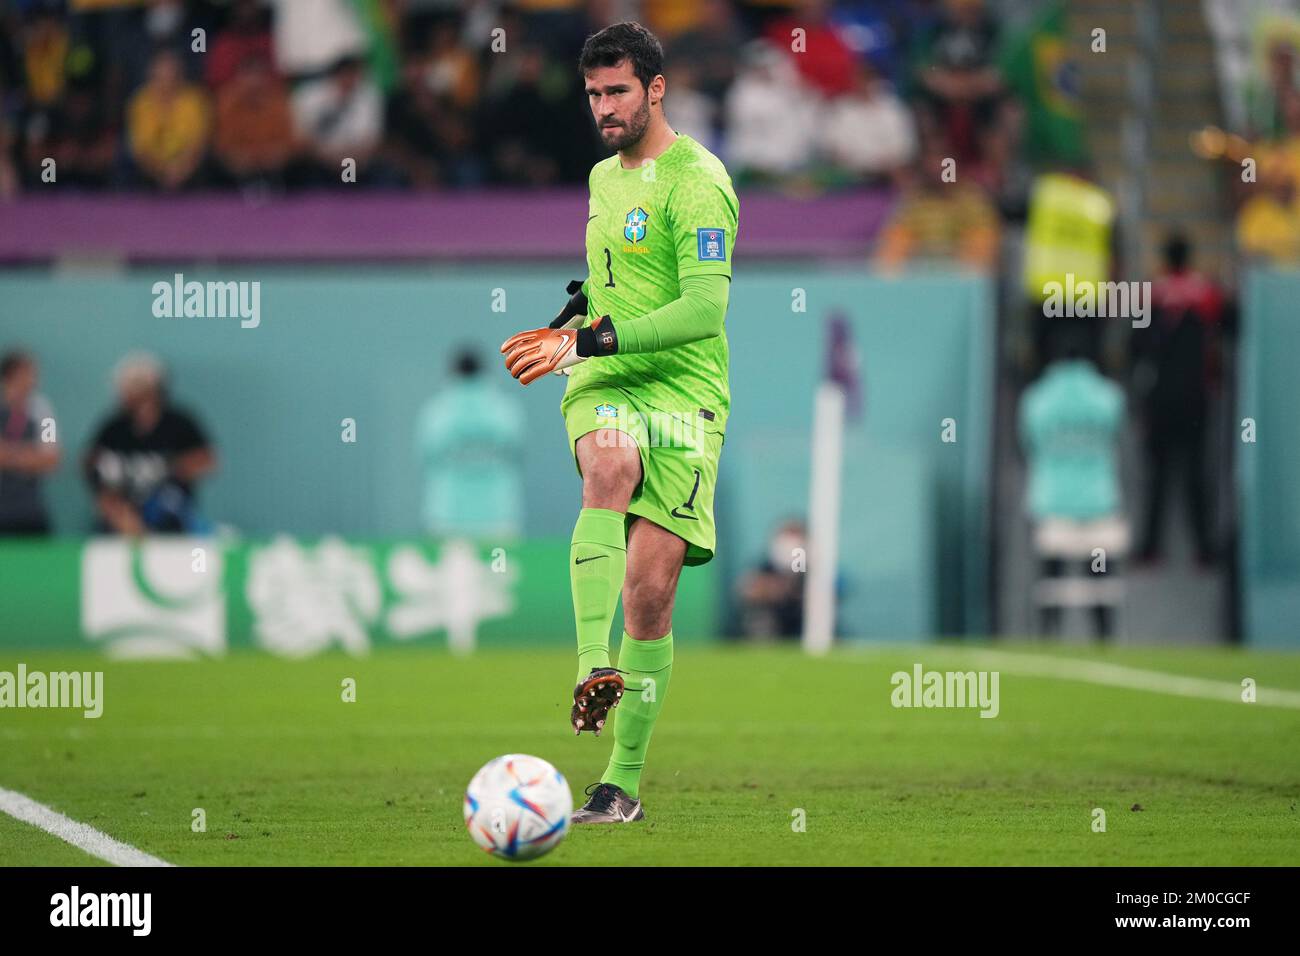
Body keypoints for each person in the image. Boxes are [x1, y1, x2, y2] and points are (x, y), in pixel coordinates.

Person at [498, 22, 738, 825]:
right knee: (607, 468)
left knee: (651, 595)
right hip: (606, 381)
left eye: (618, 91)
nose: (603, 107)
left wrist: (588, 335)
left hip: (685, 397)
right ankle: (590, 666)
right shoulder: (602, 179)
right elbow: (611, 290)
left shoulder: (699, 181)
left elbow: (705, 309)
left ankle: (620, 785)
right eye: (594, 93)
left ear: (656, 88)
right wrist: (570, 324)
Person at [1018, 329, 1126, 639]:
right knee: (1100, 579)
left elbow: (1027, 445)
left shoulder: (1037, 398)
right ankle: (1105, 638)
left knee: (1052, 580)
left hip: (1052, 503)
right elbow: (1114, 433)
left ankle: (1048, 638)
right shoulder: (1107, 396)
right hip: (1099, 503)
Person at [1132, 233, 1224, 565]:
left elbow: (1136, 346)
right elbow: (1228, 328)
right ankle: (1204, 551)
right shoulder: (1208, 293)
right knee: (1197, 475)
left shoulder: (1150, 293)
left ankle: (1149, 550)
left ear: (1165, 258)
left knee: (1157, 475)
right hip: (1197, 396)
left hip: (1160, 395)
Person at [84, 353, 217, 535]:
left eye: (130, 386)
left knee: (170, 502)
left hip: (170, 514)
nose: (123, 392)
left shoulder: (179, 423)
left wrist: (172, 468)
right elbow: (91, 465)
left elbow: (208, 460)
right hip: (125, 516)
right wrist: (116, 508)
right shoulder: (114, 427)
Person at [414, 349, 524, 539]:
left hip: (447, 515)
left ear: (452, 372)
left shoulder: (437, 412)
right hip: (497, 515)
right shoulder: (504, 410)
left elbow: (425, 456)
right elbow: (518, 452)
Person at [0, 351, 61, 536]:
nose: (33, 380)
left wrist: (10, 455)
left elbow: (51, 458)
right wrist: (30, 455)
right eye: (27, 374)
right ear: (10, 376)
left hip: (29, 511)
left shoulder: (43, 410)